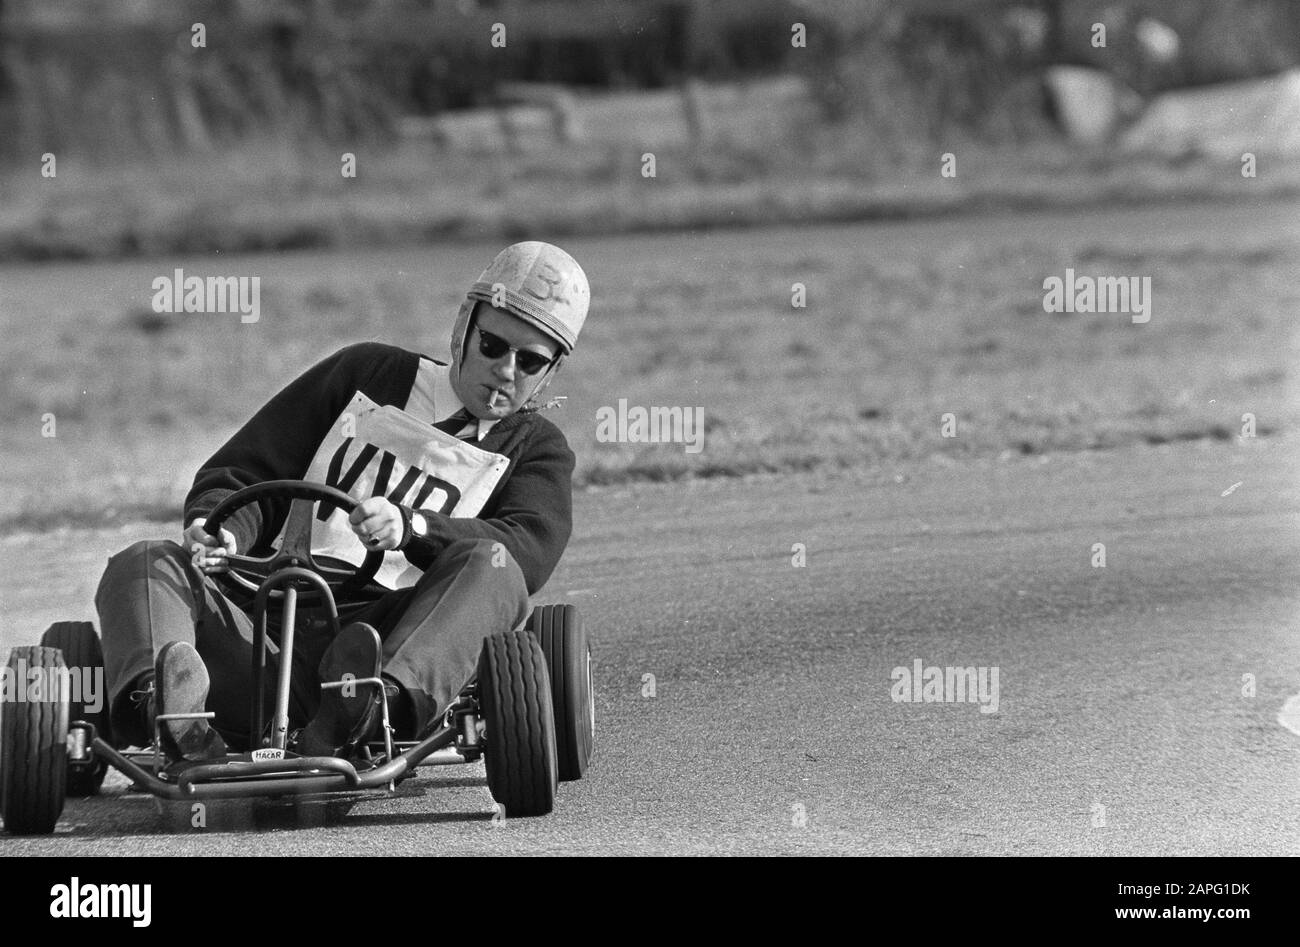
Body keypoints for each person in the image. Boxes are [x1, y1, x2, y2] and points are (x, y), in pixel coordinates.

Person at [95, 241, 590, 761]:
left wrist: (415, 529)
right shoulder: (367, 374)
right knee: (147, 561)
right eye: (493, 345)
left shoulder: (535, 449)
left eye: (530, 360)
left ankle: (368, 717)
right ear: (465, 326)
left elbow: (527, 548)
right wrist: (222, 530)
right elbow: (243, 471)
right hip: (260, 627)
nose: (507, 370)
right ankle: (170, 709)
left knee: (493, 565)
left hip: (382, 643)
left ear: (551, 370)